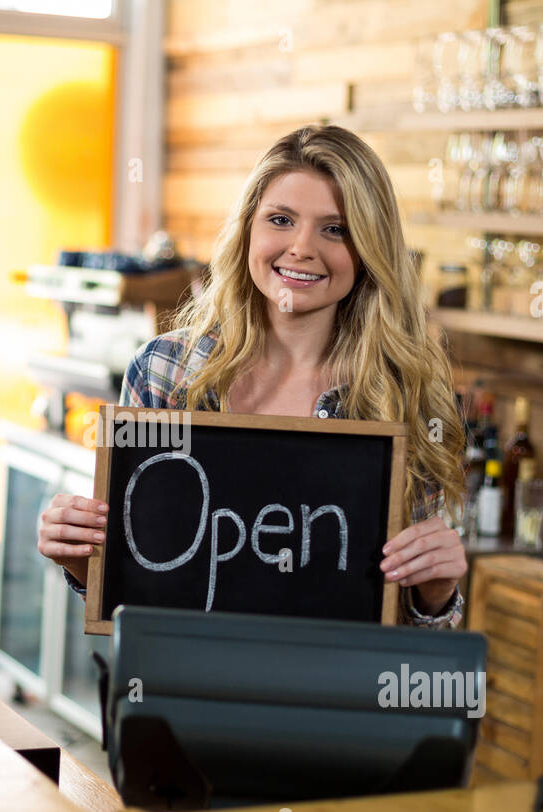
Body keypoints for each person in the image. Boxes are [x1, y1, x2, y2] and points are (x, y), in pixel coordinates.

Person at [37, 124, 467, 628]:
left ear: (370, 249)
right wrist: (78, 557)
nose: (302, 247)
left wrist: (435, 595)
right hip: (177, 691)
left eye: (335, 229)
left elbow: (409, 627)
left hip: (334, 696)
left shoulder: (405, 396)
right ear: (248, 230)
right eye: (281, 220)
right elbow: (137, 580)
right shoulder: (165, 371)